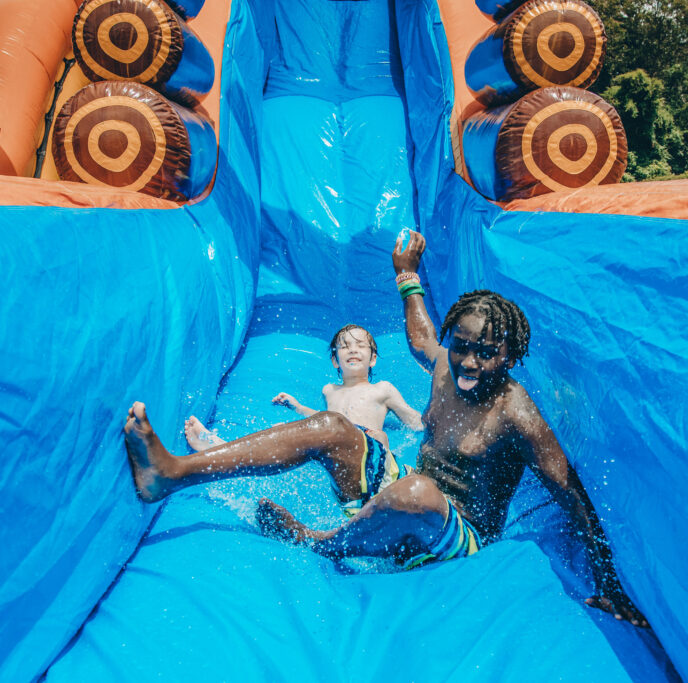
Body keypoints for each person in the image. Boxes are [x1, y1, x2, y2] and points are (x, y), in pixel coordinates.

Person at [123, 230, 647, 626]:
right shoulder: (446, 365)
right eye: (461, 345)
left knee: (415, 490)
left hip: (455, 534)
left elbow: (572, 494)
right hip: (397, 489)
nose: (468, 361)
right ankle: (172, 472)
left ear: (510, 356)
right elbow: (420, 334)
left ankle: (322, 542)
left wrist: (610, 584)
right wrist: (405, 271)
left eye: (486, 353)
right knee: (333, 425)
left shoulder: (517, 414)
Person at [182, 324, 423, 453]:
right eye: (344, 346)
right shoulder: (329, 390)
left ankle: (380, 483)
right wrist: (298, 408)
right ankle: (221, 447)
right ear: (334, 361)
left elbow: (413, 419)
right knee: (281, 430)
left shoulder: (383, 389)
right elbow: (324, 420)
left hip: (362, 441)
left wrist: (431, 423)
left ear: (372, 360)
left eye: (360, 345)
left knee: (380, 436)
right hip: (330, 443)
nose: (352, 349)